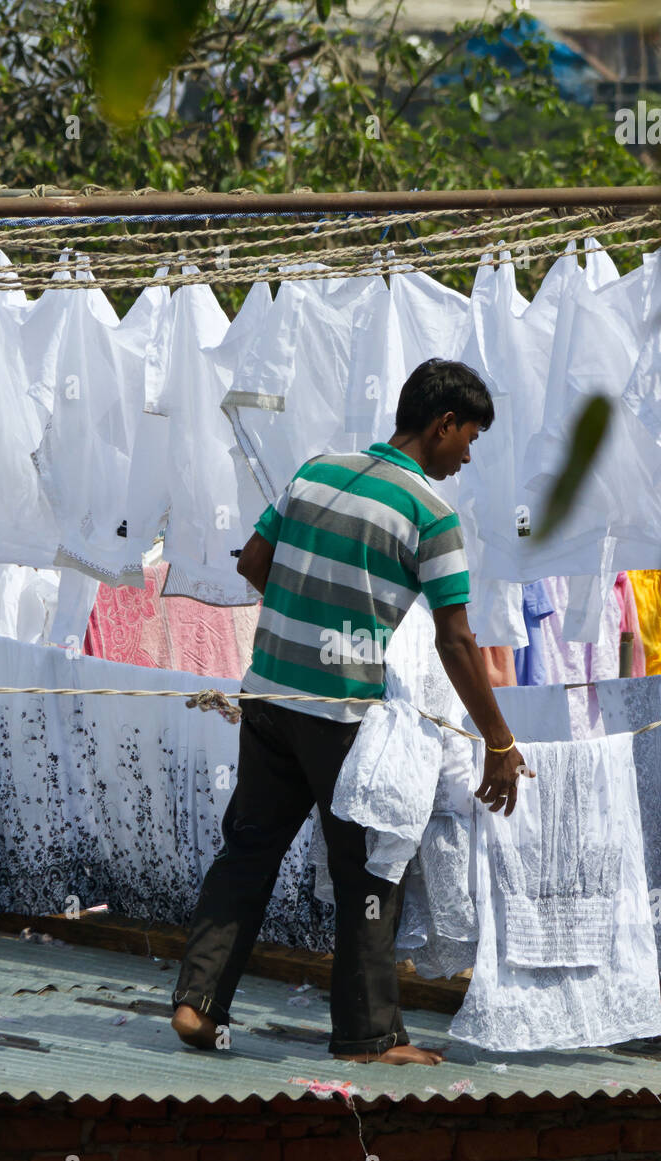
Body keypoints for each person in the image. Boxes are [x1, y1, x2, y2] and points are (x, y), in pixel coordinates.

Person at [172, 358, 534, 1065]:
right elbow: (456, 639)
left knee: (247, 852)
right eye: (469, 439)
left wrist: (308, 612)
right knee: (368, 871)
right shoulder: (430, 514)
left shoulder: (313, 471)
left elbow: (252, 562)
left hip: (270, 696)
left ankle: (197, 1002)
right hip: (340, 720)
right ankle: (368, 1037)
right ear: (443, 424)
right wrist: (498, 739)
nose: (468, 455)